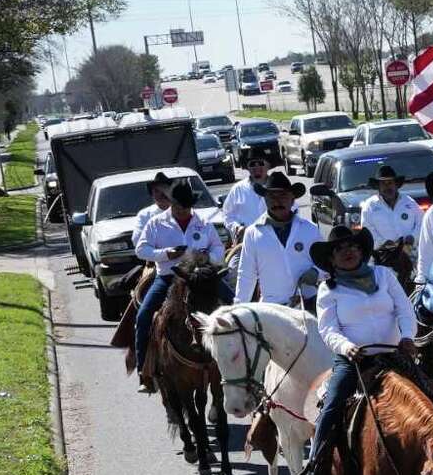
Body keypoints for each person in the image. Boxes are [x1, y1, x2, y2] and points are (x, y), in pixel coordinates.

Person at [291, 226, 417, 475]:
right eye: (339, 249)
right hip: (353, 359)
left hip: (395, 353)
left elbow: (404, 309)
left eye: (352, 247)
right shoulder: (327, 289)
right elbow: (327, 329)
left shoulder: (385, 276)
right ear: (332, 259)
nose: (347, 252)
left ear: (361, 251)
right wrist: (347, 347)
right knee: (332, 404)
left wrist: (408, 336)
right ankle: (315, 469)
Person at [132, 181, 225, 386]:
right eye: (179, 206)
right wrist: (166, 254)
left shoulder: (203, 222)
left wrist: (208, 257)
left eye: (186, 206)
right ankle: (144, 370)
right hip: (168, 277)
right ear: (171, 204)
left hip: (202, 277)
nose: (183, 210)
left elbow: (219, 249)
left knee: (234, 305)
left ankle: (240, 366)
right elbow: (141, 250)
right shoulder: (156, 223)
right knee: (144, 314)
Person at [233, 171, 317, 306]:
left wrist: (316, 272)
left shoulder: (310, 229)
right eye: (271, 196)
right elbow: (246, 275)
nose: (277, 201)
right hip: (273, 308)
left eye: (283, 195)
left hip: (309, 303)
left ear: (292, 199)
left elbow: (327, 264)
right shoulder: (253, 233)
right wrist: (239, 307)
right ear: (265, 199)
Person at [358, 162, 421, 251]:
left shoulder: (409, 202)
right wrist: (384, 243)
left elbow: (421, 223)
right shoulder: (369, 206)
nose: (388, 187)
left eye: (390, 182)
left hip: (410, 253)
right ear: (378, 186)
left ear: (396, 185)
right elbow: (367, 231)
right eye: (384, 183)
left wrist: (412, 237)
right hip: (383, 256)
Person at [219, 152, 274, 236]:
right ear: (248, 167)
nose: (256, 167)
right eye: (252, 164)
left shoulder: (278, 188)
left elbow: (292, 212)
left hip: (274, 240)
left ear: (268, 165)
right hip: (246, 240)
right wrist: (236, 227)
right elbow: (227, 215)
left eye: (260, 163)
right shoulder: (237, 189)